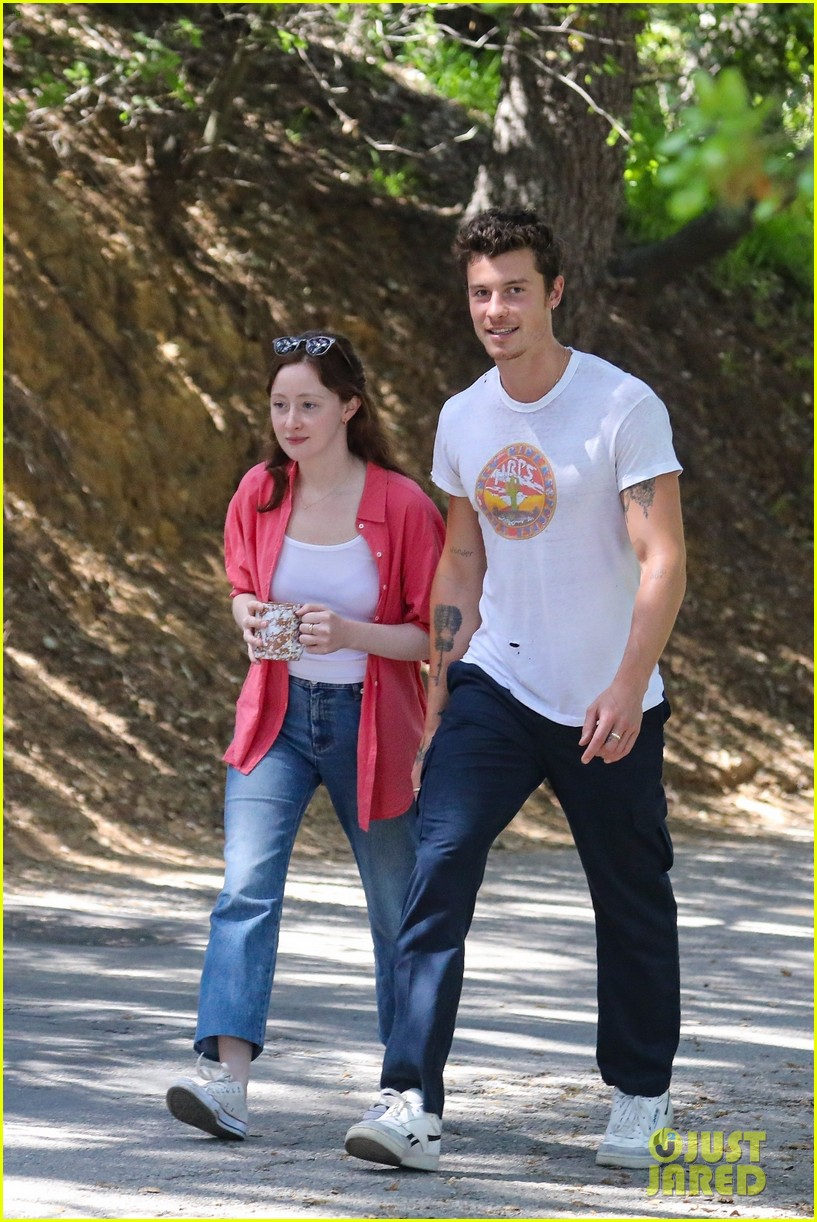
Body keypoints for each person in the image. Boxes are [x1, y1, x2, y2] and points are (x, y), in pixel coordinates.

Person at [344, 208, 686, 1172]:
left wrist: (627, 683)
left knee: (627, 894)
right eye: (480, 294)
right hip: (497, 676)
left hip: (604, 696)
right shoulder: (464, 415)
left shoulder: (622, 406)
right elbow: (460, 553)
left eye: (514, 291)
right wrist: (445, 690)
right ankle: (409, 1095)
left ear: (555, 293)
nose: (495, 310)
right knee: (438, 863)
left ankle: (638, 1097)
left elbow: (661, 561)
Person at [167, 330, 444, 1141]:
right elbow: (240, 590)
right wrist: (247, 615)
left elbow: (439, 636)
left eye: (309, 404)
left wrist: (353, 632)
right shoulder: (257, 491)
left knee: (398, 908)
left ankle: (407, 1095)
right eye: (280, 403)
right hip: (276, 721)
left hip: (372, 725)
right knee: (243, 889)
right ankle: (225, 1081)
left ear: (349, 408)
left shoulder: (401, 504)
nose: (291, 419)